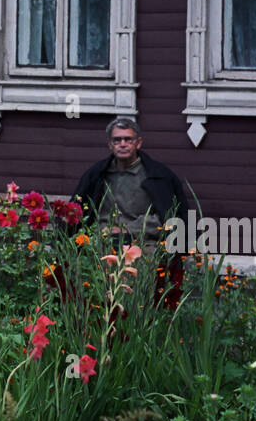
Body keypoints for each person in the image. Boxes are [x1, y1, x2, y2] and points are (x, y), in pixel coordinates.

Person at [72, 117, 188, 307]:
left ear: (138, 143)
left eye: (128, 139)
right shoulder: (97, 174)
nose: (122, 144)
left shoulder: (157, 176)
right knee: (88, 276)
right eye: (117, 140)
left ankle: (137, 320)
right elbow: (80, 212)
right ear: (110, 144)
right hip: (103, 242)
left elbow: (168, 217)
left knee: (141, 278)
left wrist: (128, 229)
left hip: (144, 243)